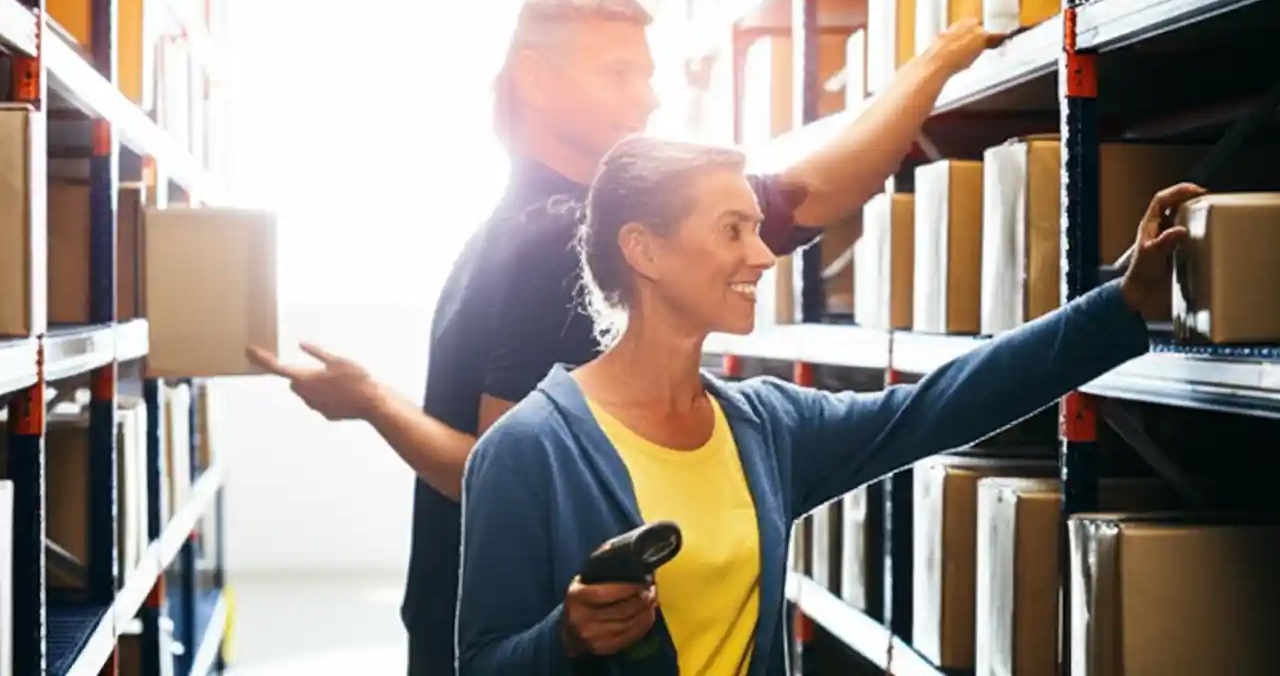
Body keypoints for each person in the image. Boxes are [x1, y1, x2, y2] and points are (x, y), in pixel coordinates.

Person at [248, 0, 999, 675]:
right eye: (619, 74)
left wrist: (930, 67)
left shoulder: (516, 226)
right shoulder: (563, 241)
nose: (647, 98)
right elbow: (491, 466)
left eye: (648, 74)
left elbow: (815, 189)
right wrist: (375, 400)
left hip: (458, 620)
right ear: (537, 78)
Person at [455, 135, 1197, 675]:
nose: (763, 255)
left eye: (755, 227)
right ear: (644, 251)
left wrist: (1118, 306)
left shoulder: (766, 428)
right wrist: (565, 640)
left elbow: (946, 404)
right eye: (732, 229)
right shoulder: (529, 449)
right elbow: (483, 662)